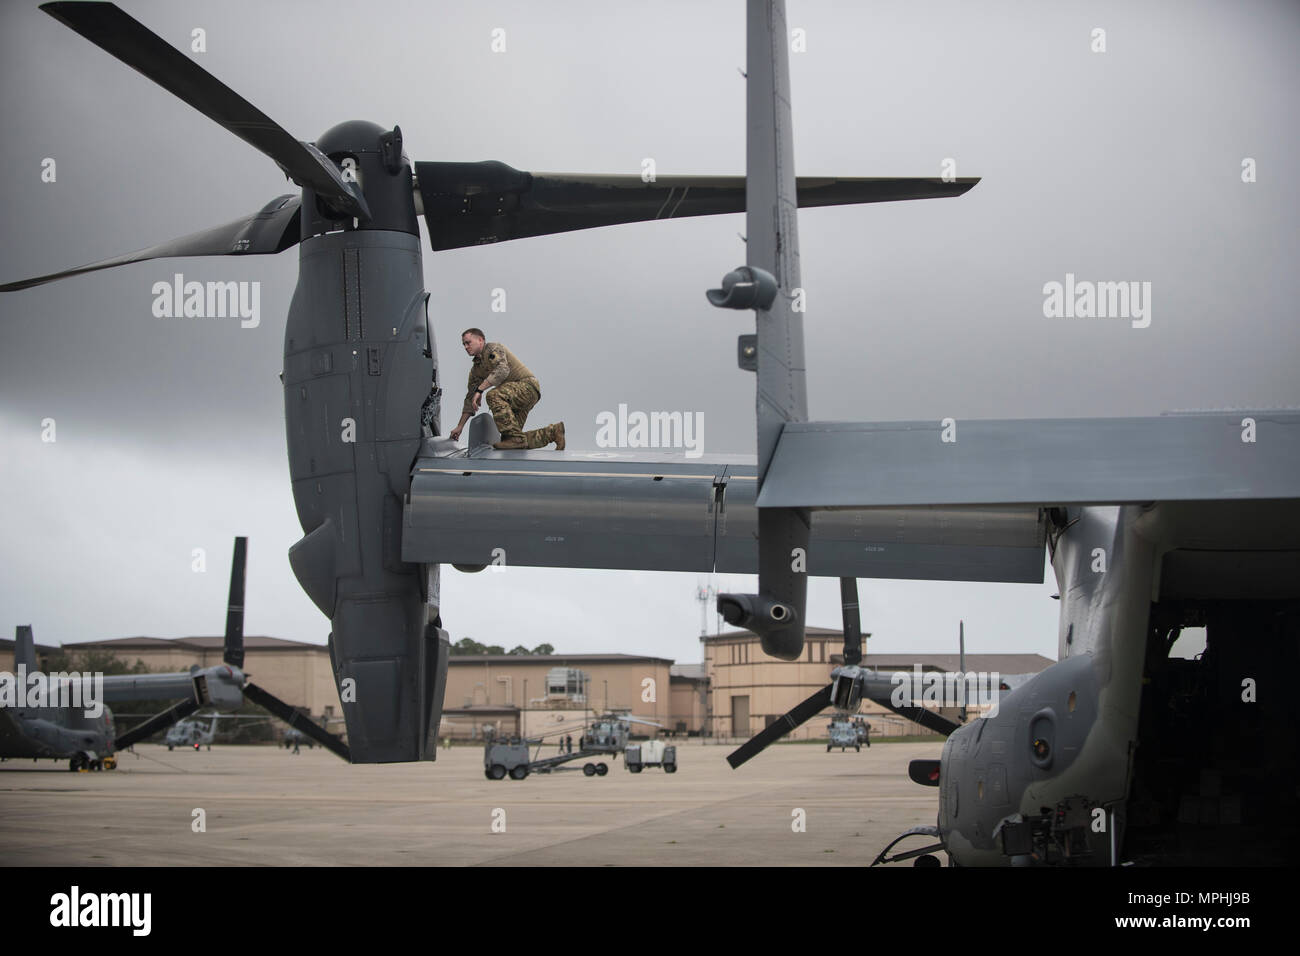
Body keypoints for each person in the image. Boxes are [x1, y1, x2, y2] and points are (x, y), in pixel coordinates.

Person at [448, 329, 565, 450]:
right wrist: (460, 426)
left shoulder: (493, 349)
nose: (466, 347)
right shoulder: (476, 371)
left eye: (468, 342)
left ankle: (516, 439)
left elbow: (502, 370)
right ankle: (553, 432)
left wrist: (480, 389)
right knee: (511, 442)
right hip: (512, 398)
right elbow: (470, 399)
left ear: (480, 340)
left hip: (526, 386)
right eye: (464, 344)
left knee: (493, 395)